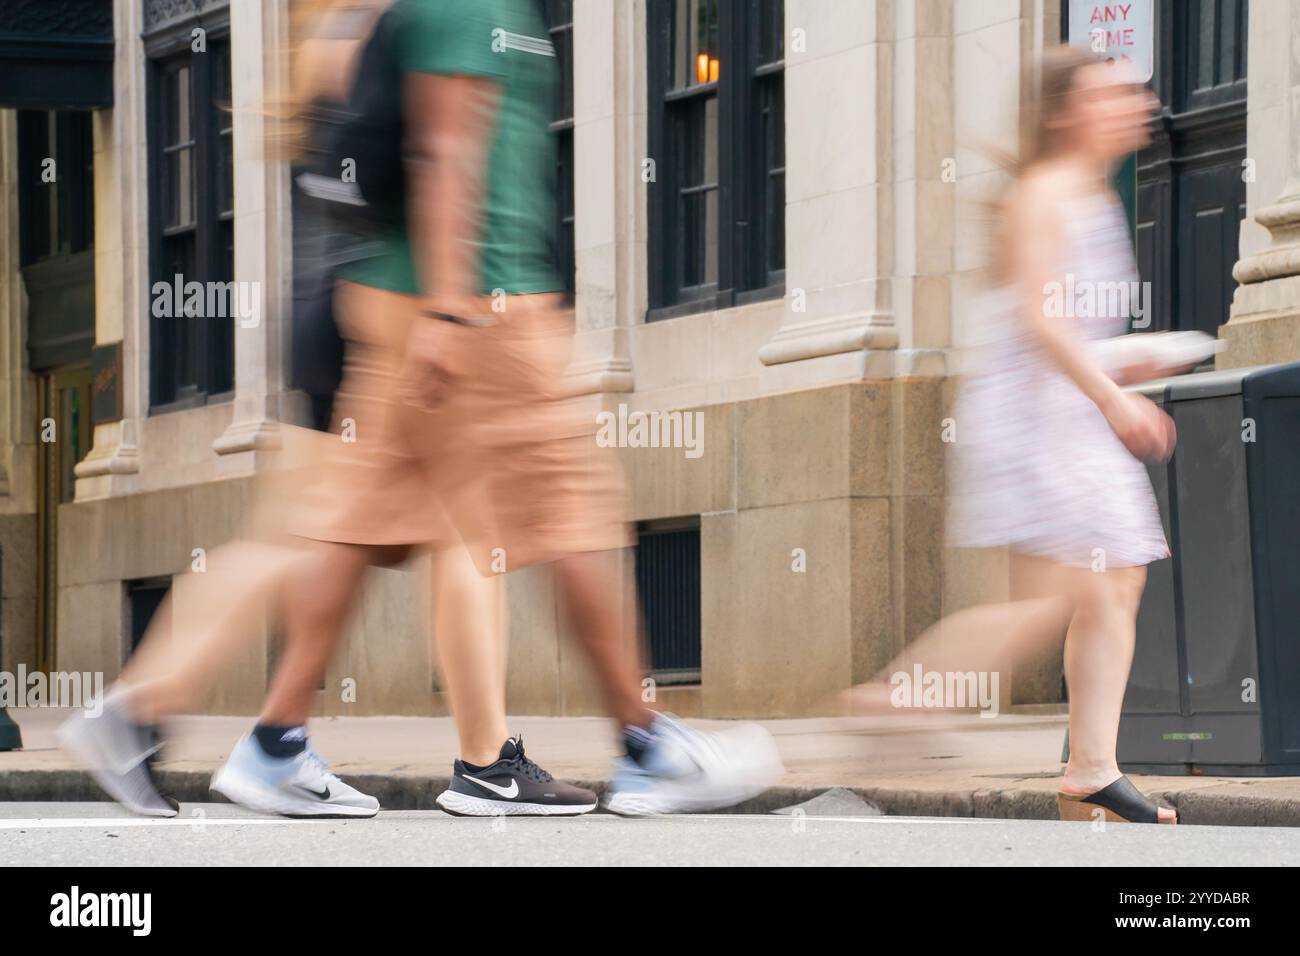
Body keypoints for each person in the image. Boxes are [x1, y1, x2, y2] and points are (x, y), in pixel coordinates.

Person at [842, 47, 1181, 825]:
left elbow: (1064, 324)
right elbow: (1038, 314)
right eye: (1108, 95)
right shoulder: (1044, 191)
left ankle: (1092, 766)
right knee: (1054, 594)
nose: (1131, 106)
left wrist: (1127, 362)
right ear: (1065, 112)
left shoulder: (1091, 196)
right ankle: (901, 698)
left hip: (1065, 409)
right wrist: (1112, 398)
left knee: (1115, 578)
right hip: (1037, 419)